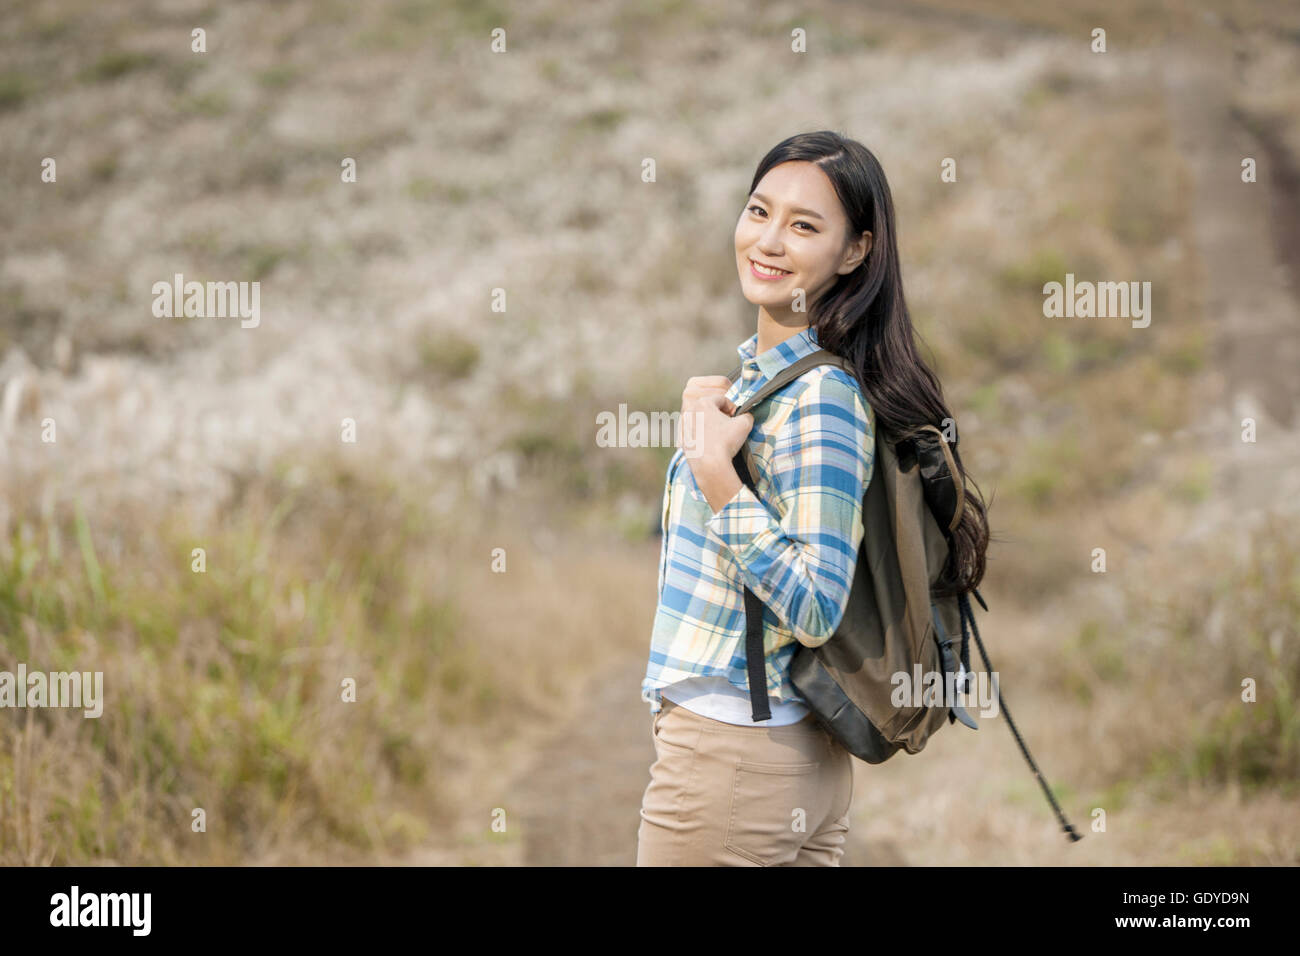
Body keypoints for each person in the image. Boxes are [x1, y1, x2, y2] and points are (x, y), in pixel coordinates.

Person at [636, 130, 990, 866]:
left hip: (732, 759)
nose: (768, 240)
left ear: (856, 251)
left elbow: (816, 605)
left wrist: (716, 477)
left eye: (803, 225)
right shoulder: (770, 386)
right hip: (778, 761)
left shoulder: (822, 399)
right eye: (759, 211)